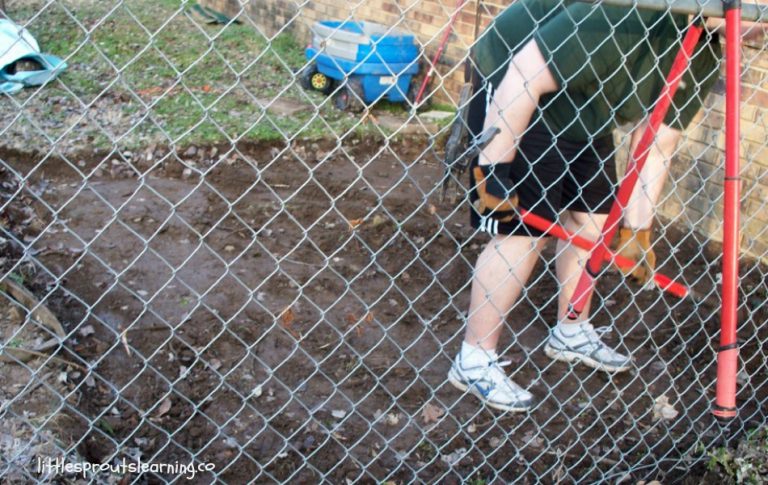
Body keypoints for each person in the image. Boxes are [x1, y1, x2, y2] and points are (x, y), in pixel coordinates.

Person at [446, 0, 762, 412]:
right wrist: (493, 171)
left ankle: (571, 329)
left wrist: (637, 233)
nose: (759, 26)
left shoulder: (705, 42)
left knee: (594, 220)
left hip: (584, 104)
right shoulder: (634, 9)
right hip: (516, 85)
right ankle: (474, 359)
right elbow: (525, 72)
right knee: (523, 230)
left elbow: (658, 140)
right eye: (758, 9)